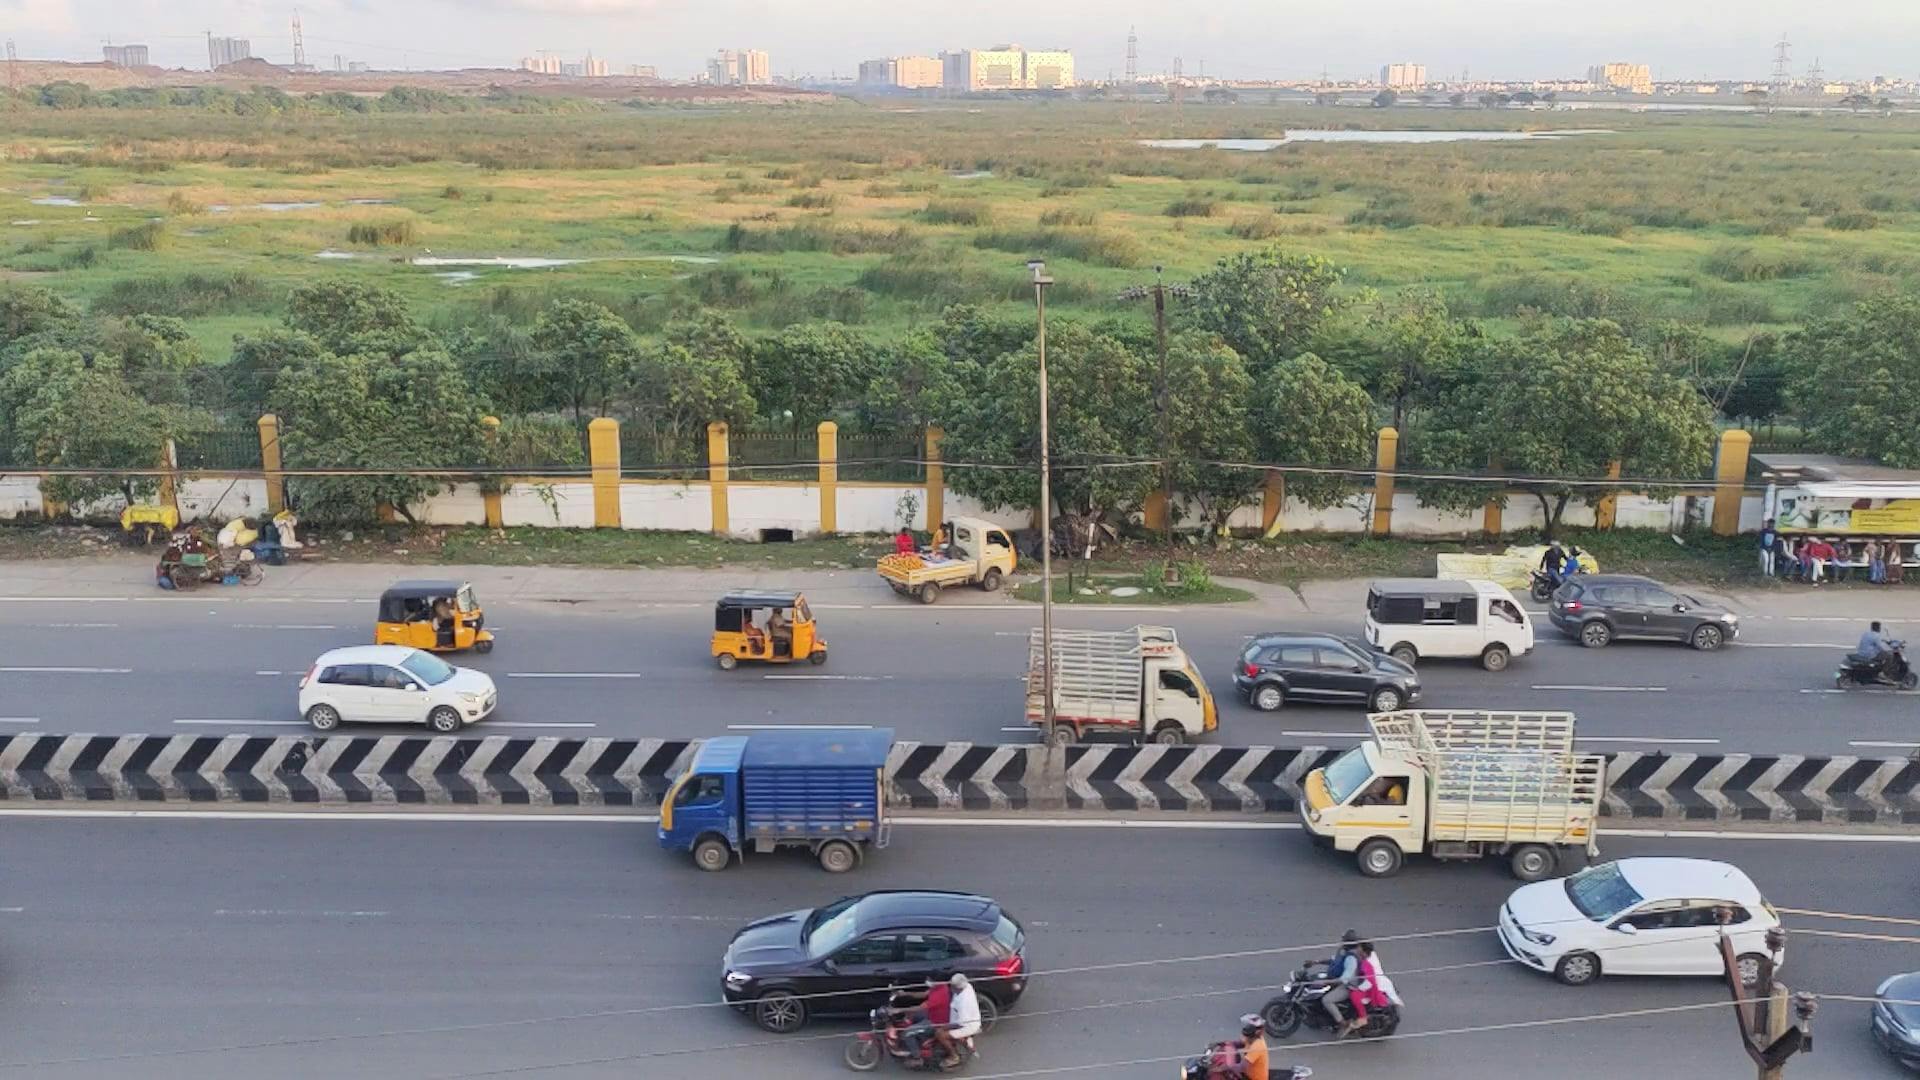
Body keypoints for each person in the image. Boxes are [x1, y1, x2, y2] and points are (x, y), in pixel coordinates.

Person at [898, 974, 952, 1063]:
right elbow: (923, 994)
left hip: (935, 1022)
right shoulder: (939, 987)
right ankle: (919, 1038)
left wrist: (900, 1010)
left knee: (907, 1032)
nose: (927, 981)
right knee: (912, 1015)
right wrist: (905, 993)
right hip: (932, 1014)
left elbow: (920, 1007)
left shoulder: (939, 994)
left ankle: (917, 1057)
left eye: (929, 979)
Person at [1342, 941, 1391, 1037]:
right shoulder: (1363, 959)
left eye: (1359, 948)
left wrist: (1356, 988)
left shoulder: (1367, 964)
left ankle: (1363, 1017)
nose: (1357, 949)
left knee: (1354, 995)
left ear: (1364, 952)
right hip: (1364, 983)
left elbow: (1369, 981)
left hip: (1367, 988)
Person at [1316, 931, 1361, 1028]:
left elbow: (1344, 979)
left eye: (1344, 940)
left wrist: (1326, 982)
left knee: (1326, 1000)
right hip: (1337, 980)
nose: (1342, 942)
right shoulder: (1344, 952)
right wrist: (1316, 962)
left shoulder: (1351, 959)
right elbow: (1333, 961)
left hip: (1348, 986)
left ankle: (1342, 1023)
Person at [940, 972, 982, 1064]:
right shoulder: (967, 986)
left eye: (951, 986)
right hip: (967, 1019)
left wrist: (945, 1027)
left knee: (941, 1035)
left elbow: (961, 1023)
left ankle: (954, 1056)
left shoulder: (963, 1003)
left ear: (955, 988)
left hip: (967, 1026)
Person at [1230, 1014, 1269, 1080]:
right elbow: (1238, 1043)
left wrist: (1224, 1067)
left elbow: (1242, 1067)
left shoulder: (1257, 1046)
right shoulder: (1251, 1039)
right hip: (1247, 1075)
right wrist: (1222, 1044)